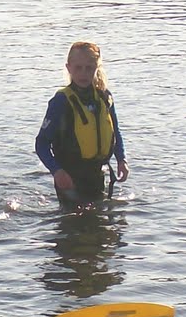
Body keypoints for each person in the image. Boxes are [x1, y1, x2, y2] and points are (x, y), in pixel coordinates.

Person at [34, 40, 129, 206]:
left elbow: (115, 132)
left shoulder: (104, 98)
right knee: (75, 222)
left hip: (97, 173)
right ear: (69, 68)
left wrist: (121, 160)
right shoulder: (61, 101)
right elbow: (41, 143)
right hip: (69, 177)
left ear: (96, 69)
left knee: (101, 224)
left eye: (89, 68)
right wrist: (57, 171)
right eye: (78, 68)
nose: (84, 74)